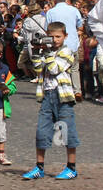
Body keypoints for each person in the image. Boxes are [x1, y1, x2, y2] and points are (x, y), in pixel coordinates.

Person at [23, 23, 81, 180]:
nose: (55, 40)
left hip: (63, 97)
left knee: (67, 132)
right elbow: (39, 70)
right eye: (52, 37)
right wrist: (35, 53)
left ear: (65, 36)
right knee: (41, 132)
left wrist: (47, 52)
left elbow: (55, 69)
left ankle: (71, 167)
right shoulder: (46, 52)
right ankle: (39, 167)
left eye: (58, 37)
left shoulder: (67, 52)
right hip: (47, 96)